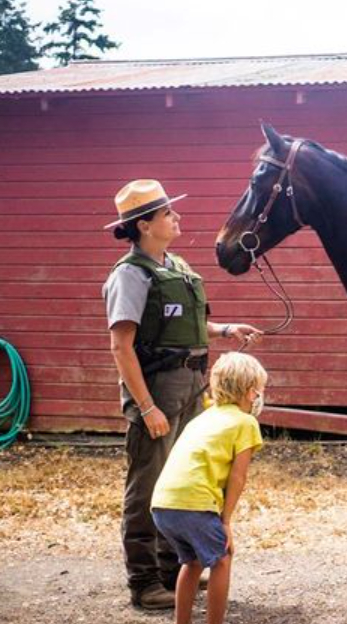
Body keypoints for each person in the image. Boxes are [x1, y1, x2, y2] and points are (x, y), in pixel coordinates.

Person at [102, 179, 261, 610]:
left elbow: (186, 325)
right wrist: (147, 406)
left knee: (185, 480)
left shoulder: (175, 266)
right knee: (148, 486)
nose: (177, 218)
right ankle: (145, 582)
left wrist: (225, 330)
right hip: (157, 390)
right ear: (144, 225)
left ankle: (176, 572)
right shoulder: (130, 276)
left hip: (193, 386)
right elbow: (121, 346)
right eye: (167, 214)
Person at [151, 351, 266, 624]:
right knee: (222, 559)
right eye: (261, 390)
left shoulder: (202, 418)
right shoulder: (245, 423)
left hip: (163, 504)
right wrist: (226, 522)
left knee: (191, 562)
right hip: (194, 504)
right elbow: (238, 478)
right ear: (251, 393)